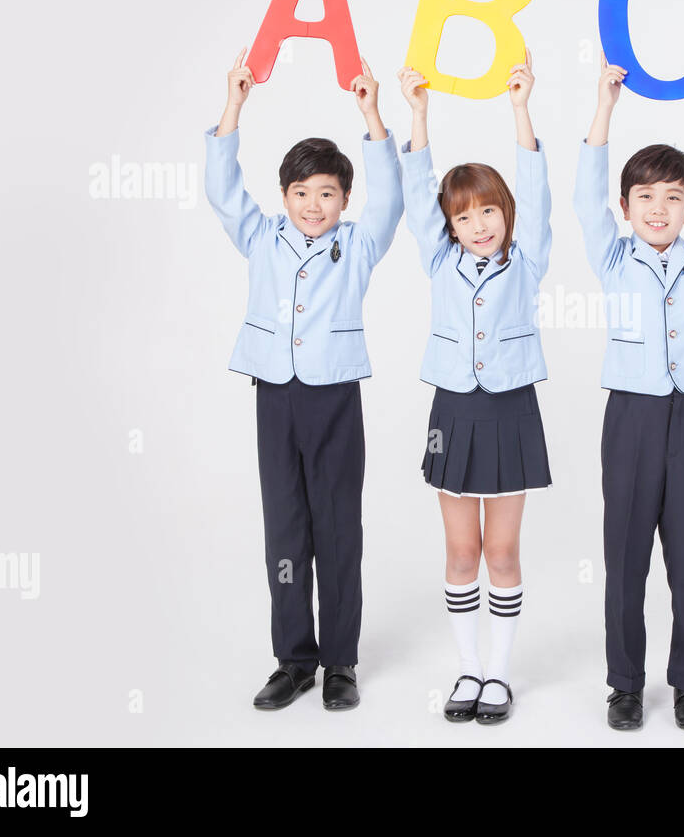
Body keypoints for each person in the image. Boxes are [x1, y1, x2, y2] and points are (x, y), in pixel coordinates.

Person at [204, 49, 404, 712]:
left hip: (335, 398)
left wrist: (372, 113)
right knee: (286, 530)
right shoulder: (261, 236)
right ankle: (294, 658)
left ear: (344, 199)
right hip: (276, 397)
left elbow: (393, 198)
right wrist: (234, 104)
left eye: (327, 193)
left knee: (337, 528)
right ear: (284, 196)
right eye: (301, 192)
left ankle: (340, 661)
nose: (313, 204)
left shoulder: (359, 245)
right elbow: (221, 188)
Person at [573, 52, 684, 730]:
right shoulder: (614, 257)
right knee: (625, 557)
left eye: (674, 196)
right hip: (630, 418)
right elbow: (586, 197)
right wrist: (605, 107)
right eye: (645, 196)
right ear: (626, 206)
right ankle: (623, 683)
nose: (659, 207)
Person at [397, 50, 552, 725]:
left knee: (502, 549)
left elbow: (538, 196)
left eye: (489, 211)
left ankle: (500, 673)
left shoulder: (528, 258)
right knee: (461, 549)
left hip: (512, 408)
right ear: (450, 226)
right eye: (464, 217)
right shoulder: (439, 259)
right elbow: (413, 197)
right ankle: (467, 670)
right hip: (453, 410)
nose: (479, 225)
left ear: (504, 213)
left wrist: (519, 108)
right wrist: (419, 116)